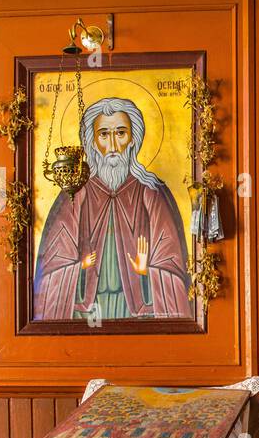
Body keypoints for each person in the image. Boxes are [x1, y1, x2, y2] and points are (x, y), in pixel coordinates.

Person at [33, 96, 191, 320]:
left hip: (139, 310)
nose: (113, 146)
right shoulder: (77, 192)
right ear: (92, 142)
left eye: (121, 133)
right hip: (86, 310)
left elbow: (173, 267)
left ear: (133, 139)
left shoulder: (151, 191)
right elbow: (51, 267)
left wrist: (147, 272)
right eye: (104, 135)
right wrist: (79, 267)